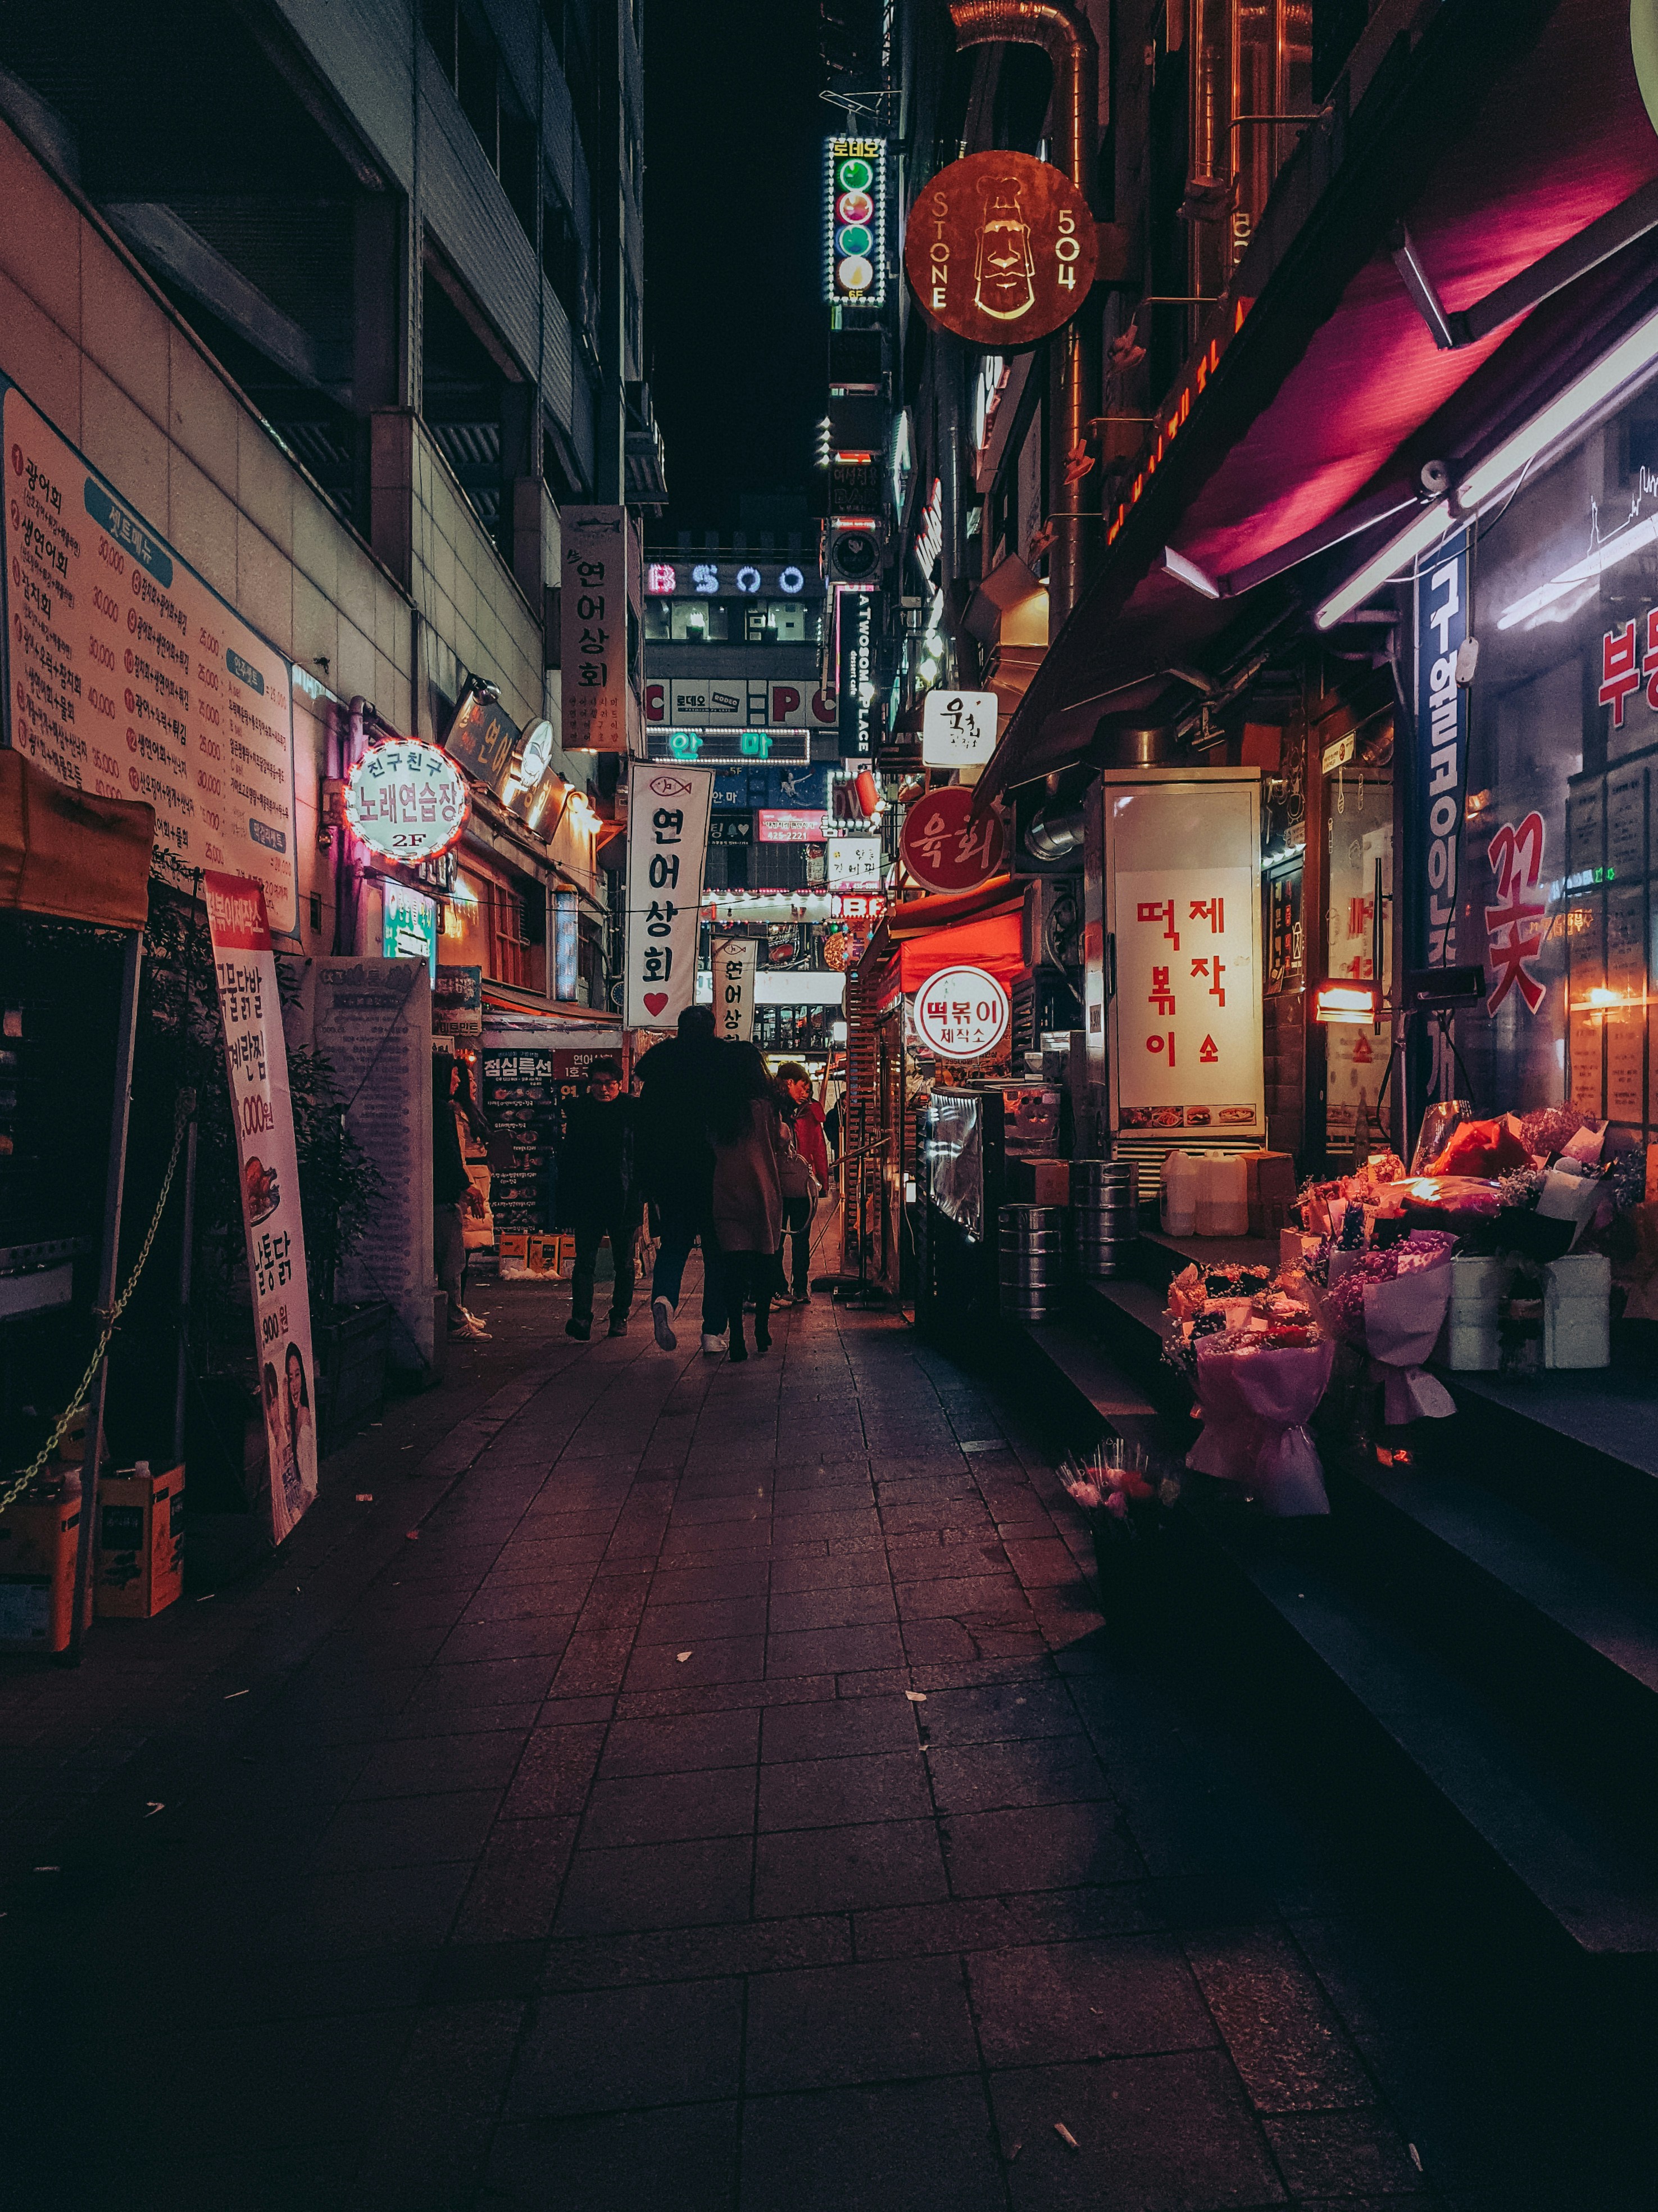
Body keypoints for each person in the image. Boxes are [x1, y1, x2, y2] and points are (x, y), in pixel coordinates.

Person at [635, 1005, 728, 1354]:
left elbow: (643, 1136)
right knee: (717, 1255)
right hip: (714, 1176)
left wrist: (650, 1183)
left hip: (672, 1179)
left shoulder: (659, 1074)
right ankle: (712, 1332)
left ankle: (663, 1299)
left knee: (674, 1247)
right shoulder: (721, 1069)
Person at [707, 1040, 785, 1362]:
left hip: (726, 1190)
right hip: (764, 1190)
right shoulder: (766, 1107)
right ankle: (762, 1329)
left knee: (733, 1269)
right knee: (765, 1262)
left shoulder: (715, 1108)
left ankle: (737, 1338)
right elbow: (780, 1143)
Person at [558, 1058, 637, 1340]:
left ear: (619, 1084)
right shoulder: (579, 1110)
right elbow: (569, 1158)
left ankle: (620, 1317)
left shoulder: (632, 1109)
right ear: (590, 1084)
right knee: (585, 1262)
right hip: (588, 1198)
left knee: (624, 1263)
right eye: (598, 1083)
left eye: (610, 1084)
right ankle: (581, 1318)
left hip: (624, 1196)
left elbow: (639, 1156)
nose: (604, 1089)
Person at [433, 1054, 488, 1340]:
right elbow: (451, 1156)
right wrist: (466, 1185)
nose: (459, 1080)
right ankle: (454, 1320)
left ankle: (455, 1314)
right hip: (446, 1196)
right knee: (452, 1261)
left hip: (444, 1194)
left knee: (451, 1260)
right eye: (455, 1075)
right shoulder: (443, 1111)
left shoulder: (440, 1108)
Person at [774, 1060, 828, 1304]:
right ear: (789, 1083)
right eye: (802, 1088)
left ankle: (800, 1287)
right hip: (777, 1185)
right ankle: (779, 1287)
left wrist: (824, 1182)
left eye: (808, 1090)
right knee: (776, 1241)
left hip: (803, 1186)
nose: (805, 1093)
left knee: (800, 1240)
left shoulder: (811, 1114)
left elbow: (819, 1149)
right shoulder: (774, 1112)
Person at [284, 1341, 316, 1497]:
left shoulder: (304, 1415)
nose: (295, 1385)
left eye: (297, 1375)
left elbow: (308, 1481)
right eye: (290, 1378)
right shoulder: (285, 1420)